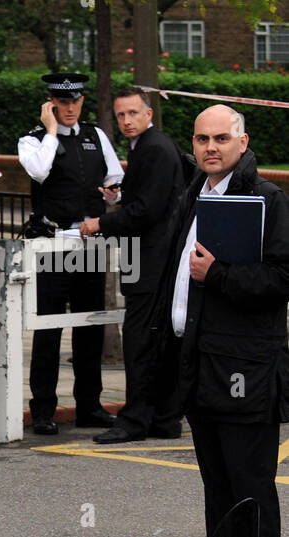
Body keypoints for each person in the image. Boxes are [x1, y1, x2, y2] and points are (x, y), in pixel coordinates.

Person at [156, 105, 289, 537]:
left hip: (247, 369)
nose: (211, 147)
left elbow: (282, 277)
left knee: (252, 486)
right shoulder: (195, 194)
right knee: (217, 487)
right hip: (199, 363)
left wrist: (222, 275)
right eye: (203, 139)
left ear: (242, 141)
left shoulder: (268, 200)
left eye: (221, 139)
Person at [18, 73, 123, 435]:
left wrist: (113, 195)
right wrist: (49, 131)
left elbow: (115, 179)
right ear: (51, 103)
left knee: (90, 328)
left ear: (82, 101)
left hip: (89, 243)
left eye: (75, 101)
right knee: (47, 330)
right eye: (62, 102)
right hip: (50, 244)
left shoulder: (96, 136)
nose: (69, 108)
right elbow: (39, 171)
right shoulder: (32, 140)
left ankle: (89, 405)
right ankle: (43, 410)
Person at [79, 86, 185, 444]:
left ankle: (135, 421)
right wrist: (120, 196)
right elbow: (151, 199)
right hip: (153, 260)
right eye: (121, 115)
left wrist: (100, 223)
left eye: (133, 114)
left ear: (149, 113)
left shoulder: (154, 148)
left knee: (141, 342)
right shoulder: (147, 146)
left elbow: (146, 213)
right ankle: (164, 419)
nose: (126, 121)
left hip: (151, 262)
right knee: (157, 341)